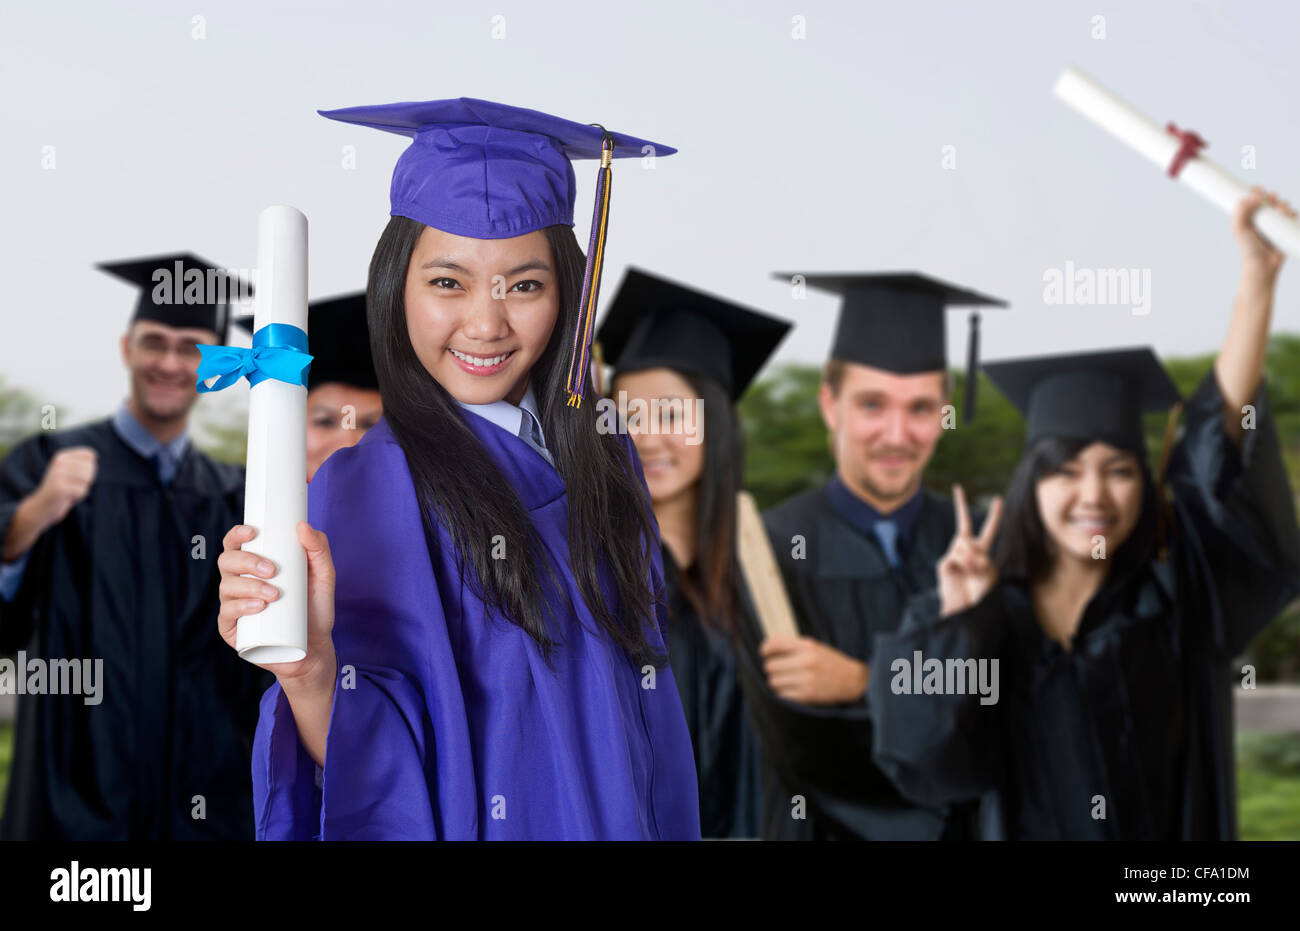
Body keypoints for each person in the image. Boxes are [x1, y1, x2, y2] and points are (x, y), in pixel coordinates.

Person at [215, 98, 700, 840]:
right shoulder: (370, 486)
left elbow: (654, 721)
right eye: (448, 282)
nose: (486, 323)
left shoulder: (607, 461)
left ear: (568, 294)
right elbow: (375, 756)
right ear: (396, 289)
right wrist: (311, 673)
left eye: (524, 285)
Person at [868, 191, 1300, 840]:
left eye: (1119, 469)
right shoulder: (974, 618)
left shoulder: (1178, 605)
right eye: (1066, 470)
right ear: (1030, 487)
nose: (1093, 493)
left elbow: (1220, 458)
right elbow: (930, 771)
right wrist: (961, 623)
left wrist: (1256, 282)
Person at [0, 252, 272, 840]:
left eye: (191, 348)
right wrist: (33, 514)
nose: (170, 362)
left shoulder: (238, 498)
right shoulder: (45, 464)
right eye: (155, 342)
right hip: (74, 809)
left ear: (215, 366)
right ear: (127, 348)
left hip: (206, 809)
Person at [737, 272, 1006, 840]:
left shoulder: (984, 548)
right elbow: (797, 748)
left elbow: (1009, 718)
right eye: (872, 405)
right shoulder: (771, 553)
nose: (896, 433)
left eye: (920, 408)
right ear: (830, 405)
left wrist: (862, 682)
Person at [598, 266, 790, 838]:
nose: (649, 437)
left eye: (673, 415)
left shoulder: (767, 568)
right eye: (629, 415)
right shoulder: (589, 566)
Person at [236, 292, 382, 481]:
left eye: (370, 425)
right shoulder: (240, 506)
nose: (347, 444)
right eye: (324, 422)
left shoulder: (422, 506)